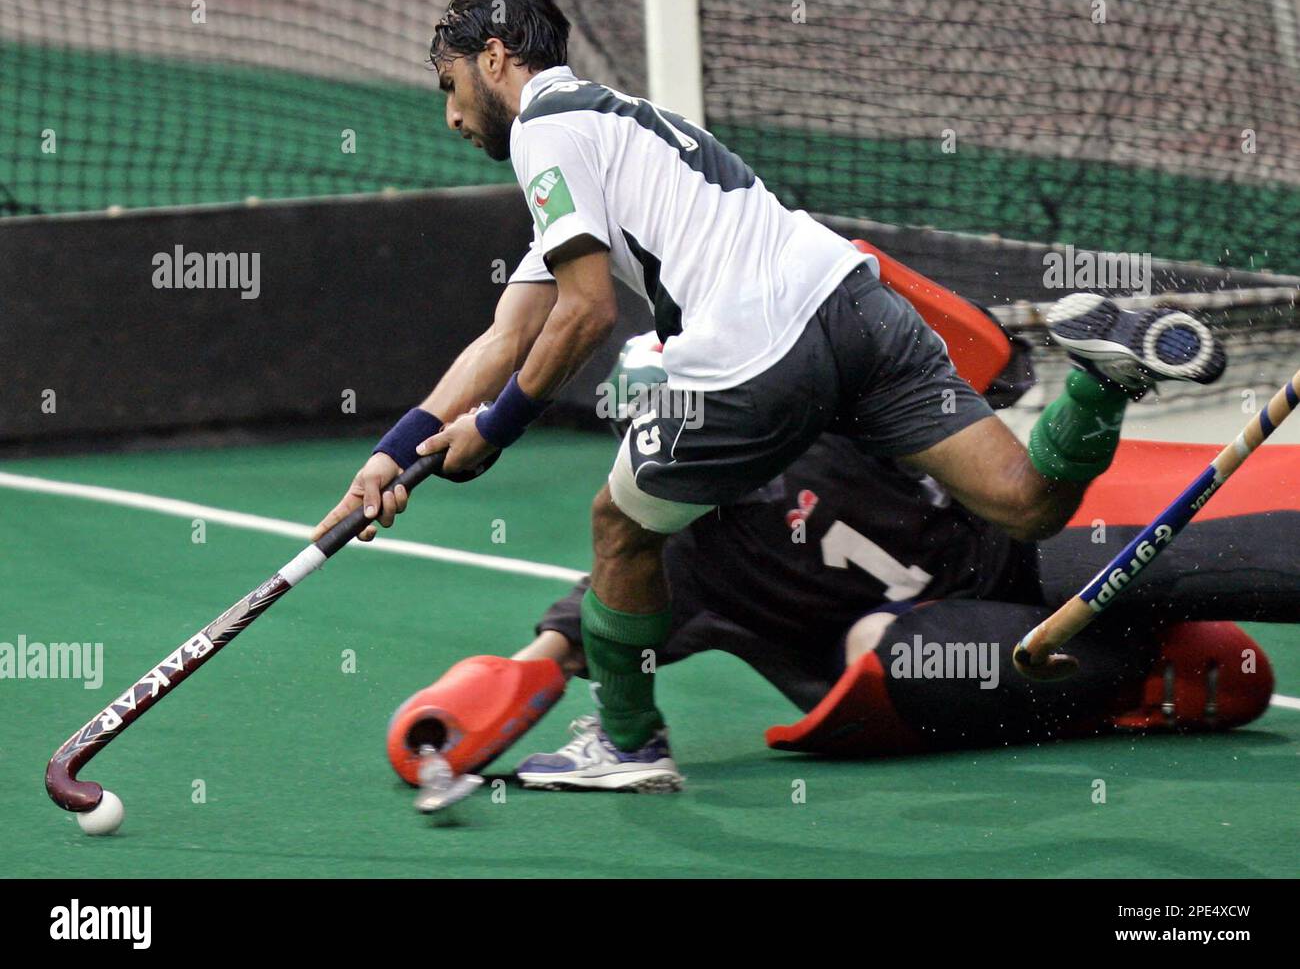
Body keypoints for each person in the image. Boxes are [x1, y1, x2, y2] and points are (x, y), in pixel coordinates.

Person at [317, 0, 1225, 791]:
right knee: (1025, 501)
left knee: (619, 527)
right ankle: (1099, 383)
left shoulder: (545, 134)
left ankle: (628, 746)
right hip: (852, 302)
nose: (450, 114)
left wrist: (497, 429)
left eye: (449, 86)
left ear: (495, 57)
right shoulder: (616, 128)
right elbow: (506, 329)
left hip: (754, 349)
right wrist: (394, 452)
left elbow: (585, 313)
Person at [385, 334, 1287, 794]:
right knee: (887, 643)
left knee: (1176, 559)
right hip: (930, 662)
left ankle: (1144, 636)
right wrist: (453, 728)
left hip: (1019, 559)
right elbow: (569, 640)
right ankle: (1140, 671)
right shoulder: (681, 557)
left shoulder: (824, 407)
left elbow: (988, 381)